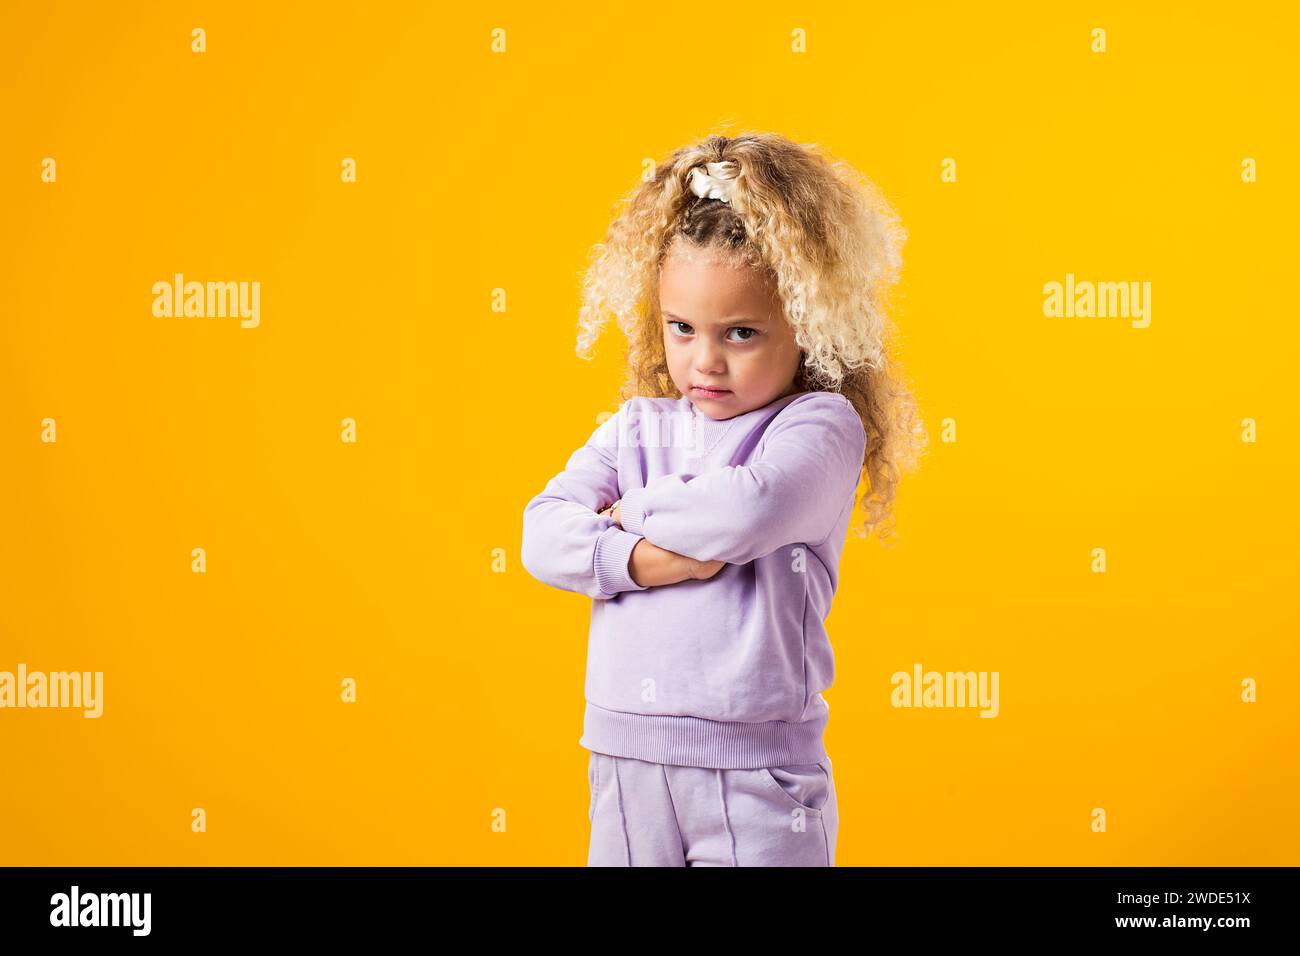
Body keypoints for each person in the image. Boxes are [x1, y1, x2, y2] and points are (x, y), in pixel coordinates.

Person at [521, 131, 926, 865]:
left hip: (757, 776)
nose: (704, 360)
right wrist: (642, 561)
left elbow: (747, 509)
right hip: (624, 762)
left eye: (741, 332)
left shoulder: (818, 427)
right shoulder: (637, 425)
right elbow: (542, 534)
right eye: (683, 328)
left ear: (808, 327)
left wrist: (627, 511)